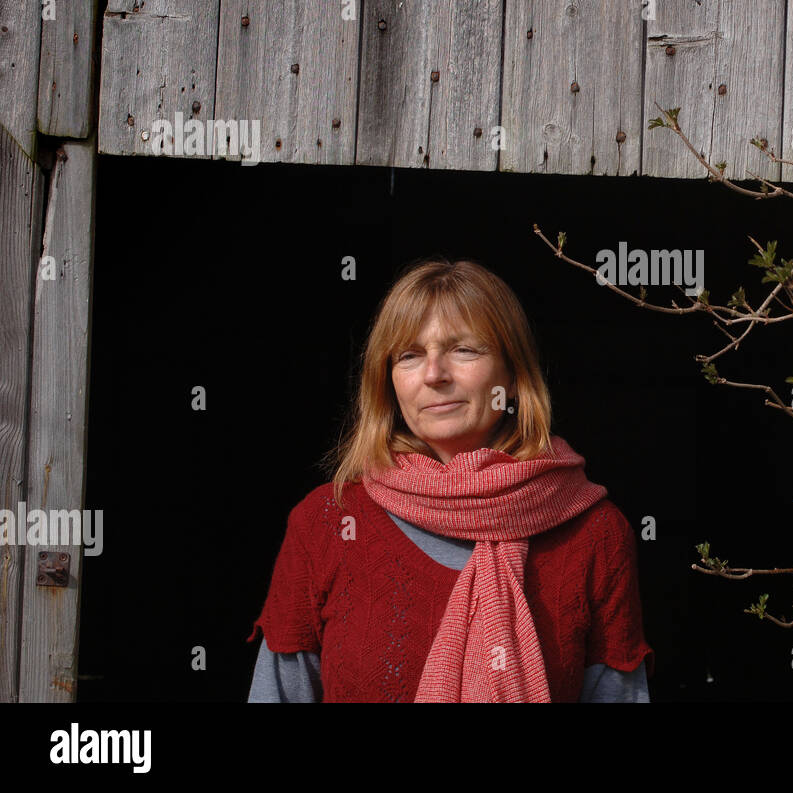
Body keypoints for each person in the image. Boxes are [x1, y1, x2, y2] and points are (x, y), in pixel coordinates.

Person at [246, 257, 653, 702]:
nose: (435, 374)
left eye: (463, 350)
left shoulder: (595, 533)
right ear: (389, 382)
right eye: (410, 355)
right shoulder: (327, 521)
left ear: (513, 376)